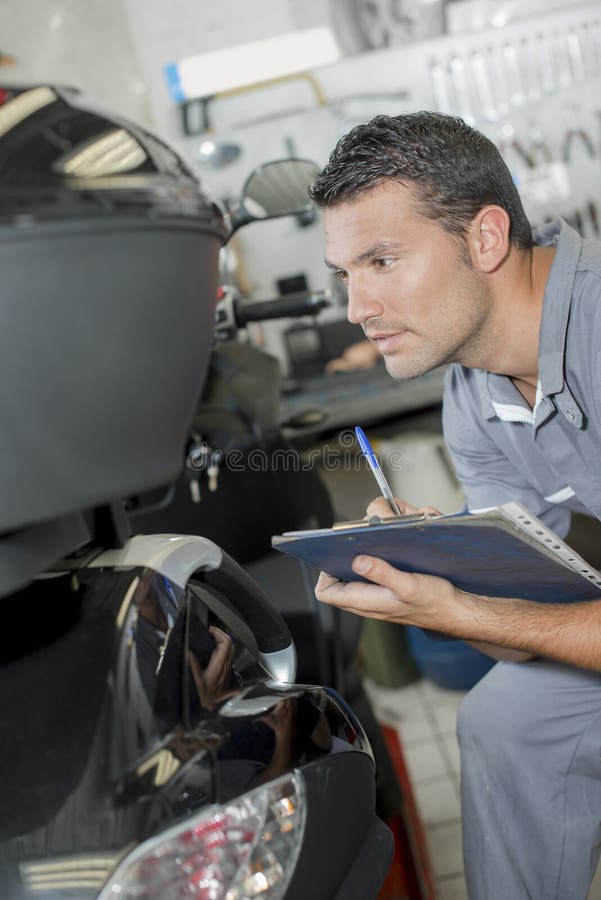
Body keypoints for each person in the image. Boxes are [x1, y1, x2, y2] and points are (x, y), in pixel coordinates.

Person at [309, 111, 601, 899]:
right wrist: (440, 573)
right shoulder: (473, 399)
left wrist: (468, 613)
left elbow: (507, 625)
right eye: (345, 273)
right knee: (503, 718)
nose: (355, 308)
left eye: (381, 260)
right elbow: (526, 627)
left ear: (484, 239)